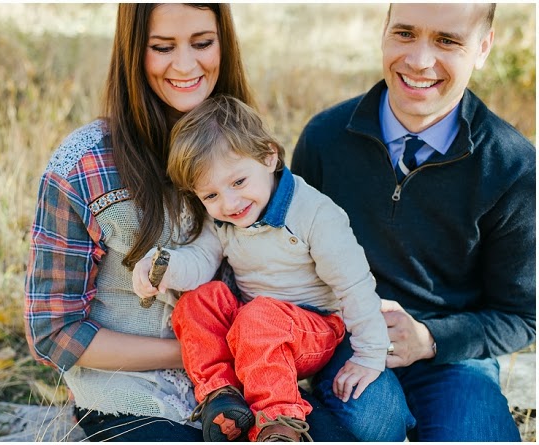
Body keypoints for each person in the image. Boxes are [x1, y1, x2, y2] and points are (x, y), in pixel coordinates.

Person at [24, 4, 354, 441]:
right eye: (163, 47)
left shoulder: (239, 144)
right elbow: (53, 333)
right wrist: (195, 351)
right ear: (133, 52)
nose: (185, 65)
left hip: (253, 382)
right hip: (132, 396)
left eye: (202, 43)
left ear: (224, 44)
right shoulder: (82, 165)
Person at [292, 3, 535, 441]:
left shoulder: (512, 167)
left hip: (451, 352)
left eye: (447, 40)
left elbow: (521, 316)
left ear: (483, 48)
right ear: (384, 31)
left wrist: (429, 338)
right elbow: (290, 257)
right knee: (367, 421)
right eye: (405, 33)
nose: (420, 61)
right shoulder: (324, 139)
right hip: (343, 336)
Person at [132, 96, 388, 441]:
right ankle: (221, 397)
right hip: (252, 326)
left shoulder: (315, 214)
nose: (229, 203)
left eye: (238, 182)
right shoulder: (222, 220)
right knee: (198, 301)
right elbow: (200, 262)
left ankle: (279, 421)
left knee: (259, 318)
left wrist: (370, 355)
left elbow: (354, 285)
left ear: (269, 157)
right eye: (210, 196)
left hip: (313, 329)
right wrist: (162, 267)